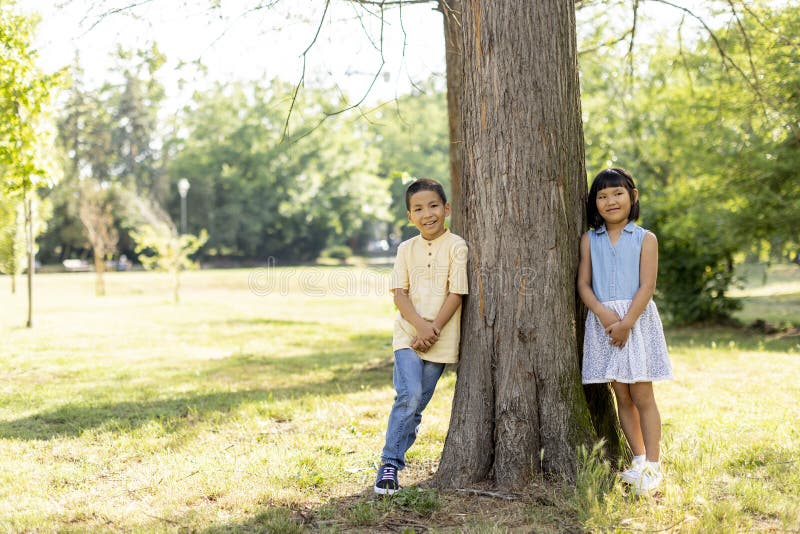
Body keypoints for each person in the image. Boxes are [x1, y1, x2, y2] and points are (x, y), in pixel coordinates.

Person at [577, 168, 673, 495]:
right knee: (622, 394)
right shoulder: (590, 240)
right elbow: (583, 284)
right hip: (605, 325)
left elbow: (647, 285)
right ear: (594, 203)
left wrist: (627, 322)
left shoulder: (645, 238)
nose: (610, 201)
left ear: (633, 196)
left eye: (617, 193)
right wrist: (605, 316)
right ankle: (638, 458)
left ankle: (654, 466)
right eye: (602, 196)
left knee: (642, 394)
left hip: (636, 322)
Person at [374, 178, 468, 495]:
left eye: (433, 206)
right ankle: (390, 465)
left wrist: (433, 329)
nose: (427, 213)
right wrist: (419, 327)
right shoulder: (405, 249)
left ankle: (400, 440)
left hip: (441, 342)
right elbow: (399, 294)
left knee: (416, 406)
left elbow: (456, 294)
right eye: (418, 208)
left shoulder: (457, 245)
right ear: (409, 217)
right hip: (407, 337)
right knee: (409, 396)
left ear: (446, 208)